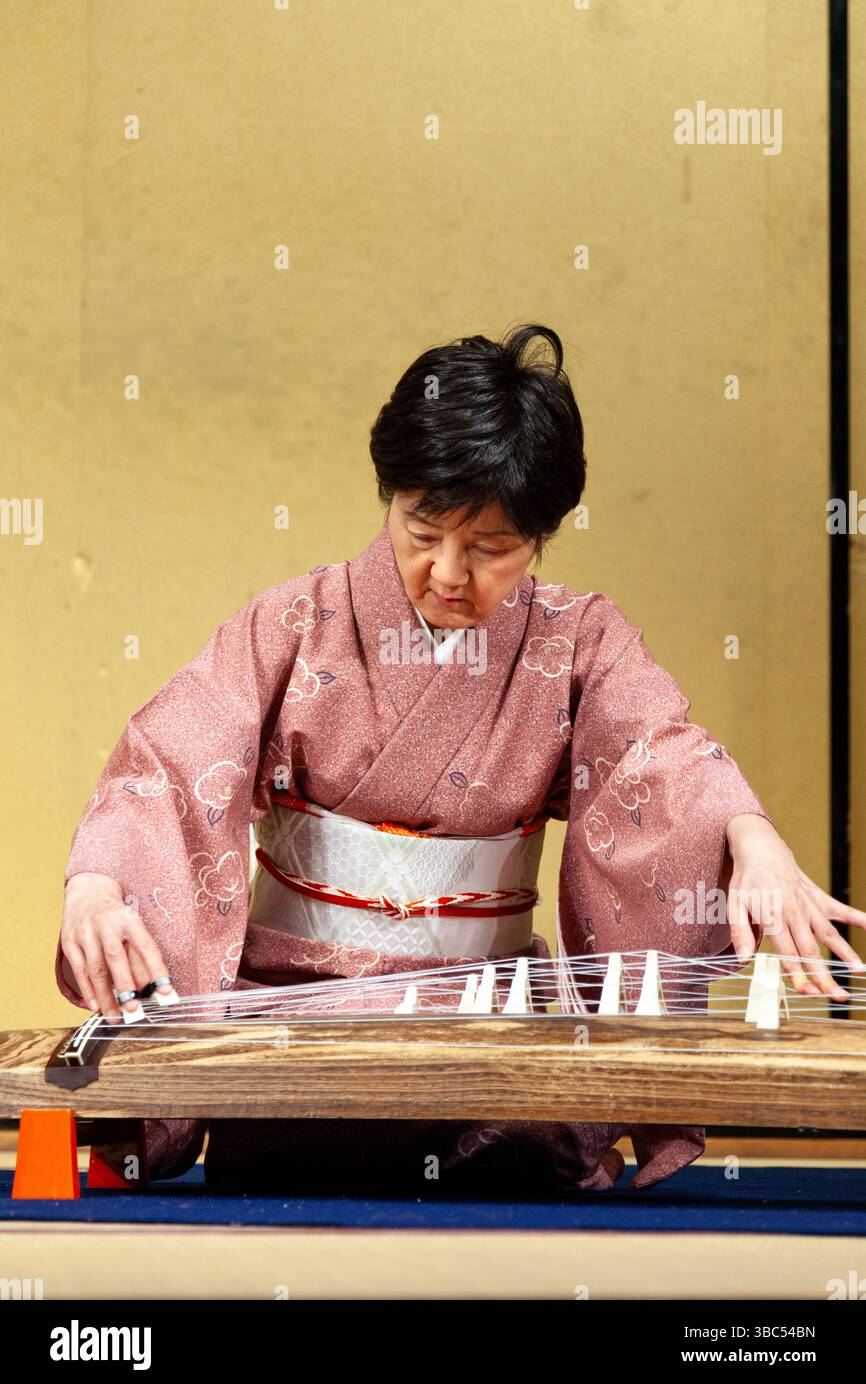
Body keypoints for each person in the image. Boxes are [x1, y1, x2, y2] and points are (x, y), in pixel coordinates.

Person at [57, 323, 866, 1195]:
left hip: (488, 1016)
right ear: (389, 496)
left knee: (524, 1138)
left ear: (543, 536)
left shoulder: (576, 641)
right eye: (423, 528)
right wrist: (98, 883)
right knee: (302, 1132)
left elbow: (662, 753)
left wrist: (753, 841)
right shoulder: (292, 625)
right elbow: (171, 761)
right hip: (300, 1013)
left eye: (489, 548)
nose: (448, 571)